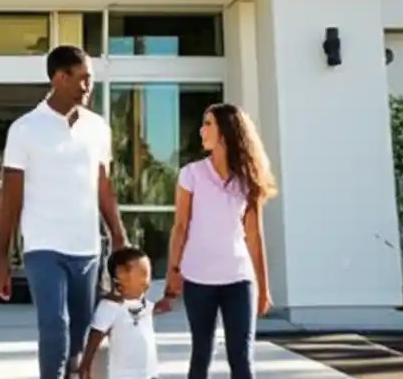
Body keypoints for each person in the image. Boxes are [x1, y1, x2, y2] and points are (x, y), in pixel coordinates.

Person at [0, 44, 128, 379]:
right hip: (42, 245)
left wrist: (119, 236)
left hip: (87, 247)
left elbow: (103, 187)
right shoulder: (25, 129)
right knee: (54, 323)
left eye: (90, 79)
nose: (87, 86)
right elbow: (9, 199)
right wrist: (0, 260)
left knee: (81, 333)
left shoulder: (98, 128)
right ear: (58, 77)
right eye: (81, 79)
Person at [162, 103, 277, 379]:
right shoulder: (191, 174)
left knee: (241, 358)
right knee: (201, 354)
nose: (202, 130)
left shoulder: (247, 180)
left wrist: (264, 289)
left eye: (209, 124)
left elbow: (254, 235)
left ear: (225, 132)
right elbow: (180, 227)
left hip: (238, 280)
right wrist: (172, 274)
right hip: (198, 279)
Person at [78, 246, 167, 379]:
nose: (147, 280)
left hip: (150, 374)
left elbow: (166, 298)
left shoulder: (145, 303)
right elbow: (95, 337)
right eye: (142, 274)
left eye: (148, 274)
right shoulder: (110, 307)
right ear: (121, 275)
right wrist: (86, 366)